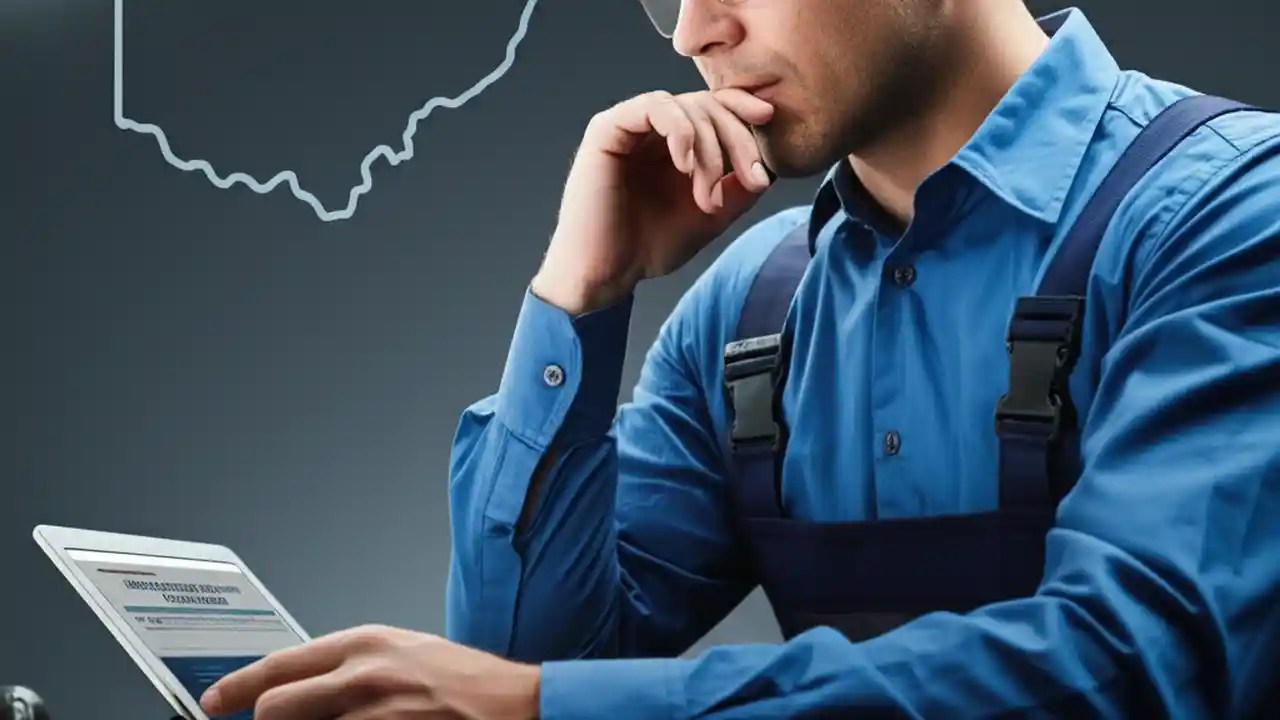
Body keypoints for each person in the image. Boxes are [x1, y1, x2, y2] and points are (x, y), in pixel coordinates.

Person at [197, 0, 1280, 717]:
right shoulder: (754, 306)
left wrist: (537, 709)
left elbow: (1133, 668)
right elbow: (531, 655)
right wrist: (581, 295)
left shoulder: (1229, 212)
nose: (691, 29)